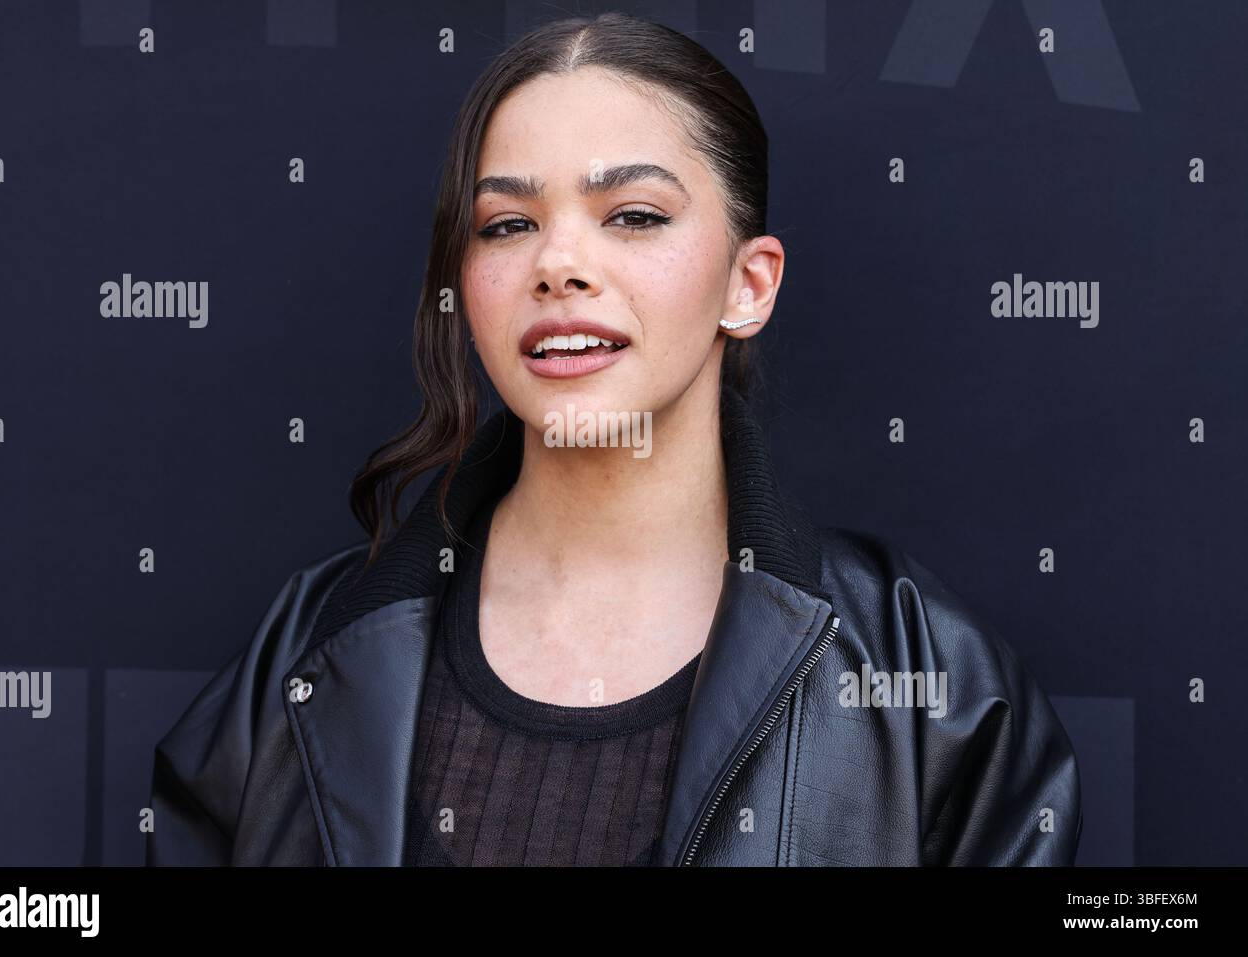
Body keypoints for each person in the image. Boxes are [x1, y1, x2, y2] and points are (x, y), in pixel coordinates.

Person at [146, 12, 1081, 867]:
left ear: (748, 285)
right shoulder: (308, 655)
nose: (558, 264)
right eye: (508, 223)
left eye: (634, 214)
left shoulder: (933, 687)